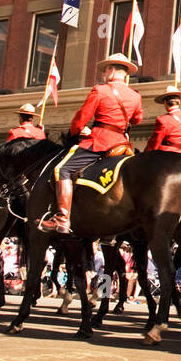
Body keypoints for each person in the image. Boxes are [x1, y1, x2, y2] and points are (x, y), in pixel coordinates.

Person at [40, 53, 142, 234]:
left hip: (100, 141)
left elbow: (81, 118)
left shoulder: (100, 90)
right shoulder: (135, 95)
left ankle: (62, 219)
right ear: (125, 74)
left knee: (61, 169)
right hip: (121, 146)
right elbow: (137, 120)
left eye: (106, 70)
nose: (104, 73)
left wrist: (76, 131)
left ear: (111, 70)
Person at [146, 86, 181, 153]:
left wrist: (146, 153)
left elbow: (155, 142)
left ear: (165, 102)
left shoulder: (162, 120)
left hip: (168, 153)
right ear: (179, 101)